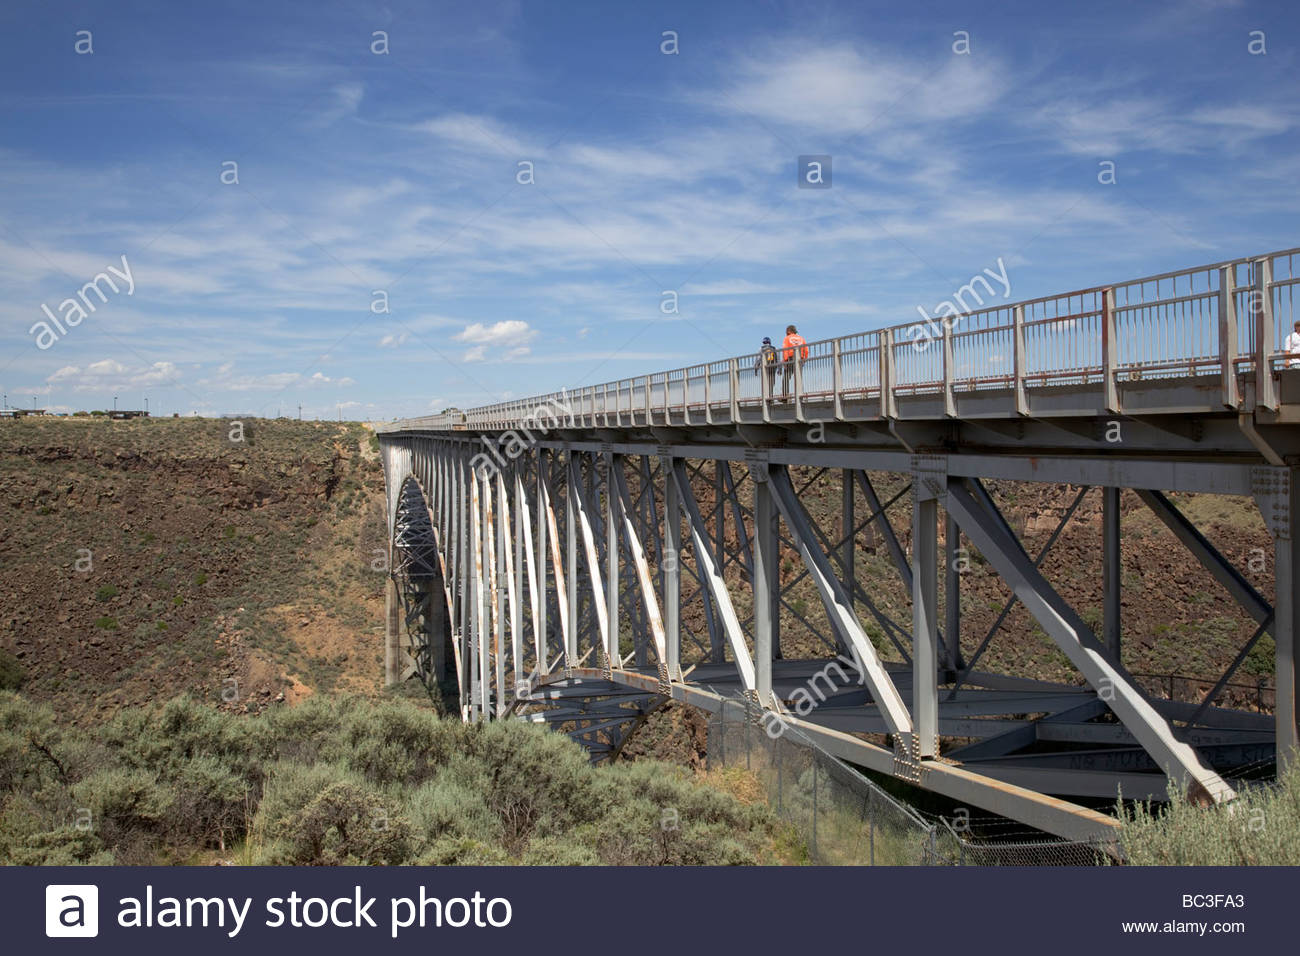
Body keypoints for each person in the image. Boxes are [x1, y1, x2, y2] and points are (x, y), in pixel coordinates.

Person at [780, 324, 808, 399]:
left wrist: (785, 361)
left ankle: (785, 397)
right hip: (800, 359)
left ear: (788, 331)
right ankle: (800, 395)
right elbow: (806, 350)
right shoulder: (801, 338)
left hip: (790, 359)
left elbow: (785, 350)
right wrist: (805, 359)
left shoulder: (787, 338)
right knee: (798, 377)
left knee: (786, 378)